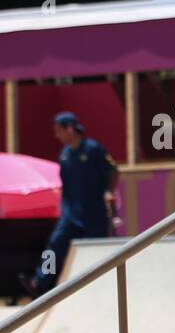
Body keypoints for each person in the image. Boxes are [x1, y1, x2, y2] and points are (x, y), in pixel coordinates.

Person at [20, 112, 118, 296]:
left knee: (96, 252)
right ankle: (40, 281)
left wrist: (108, 192)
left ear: (70, 129)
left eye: (59, 131)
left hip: (93, 214)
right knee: (54, 246)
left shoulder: (93, 149)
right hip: (70, 215)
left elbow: (113, 171)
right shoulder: (64, 155)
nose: (57, 135)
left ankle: (101, 289)